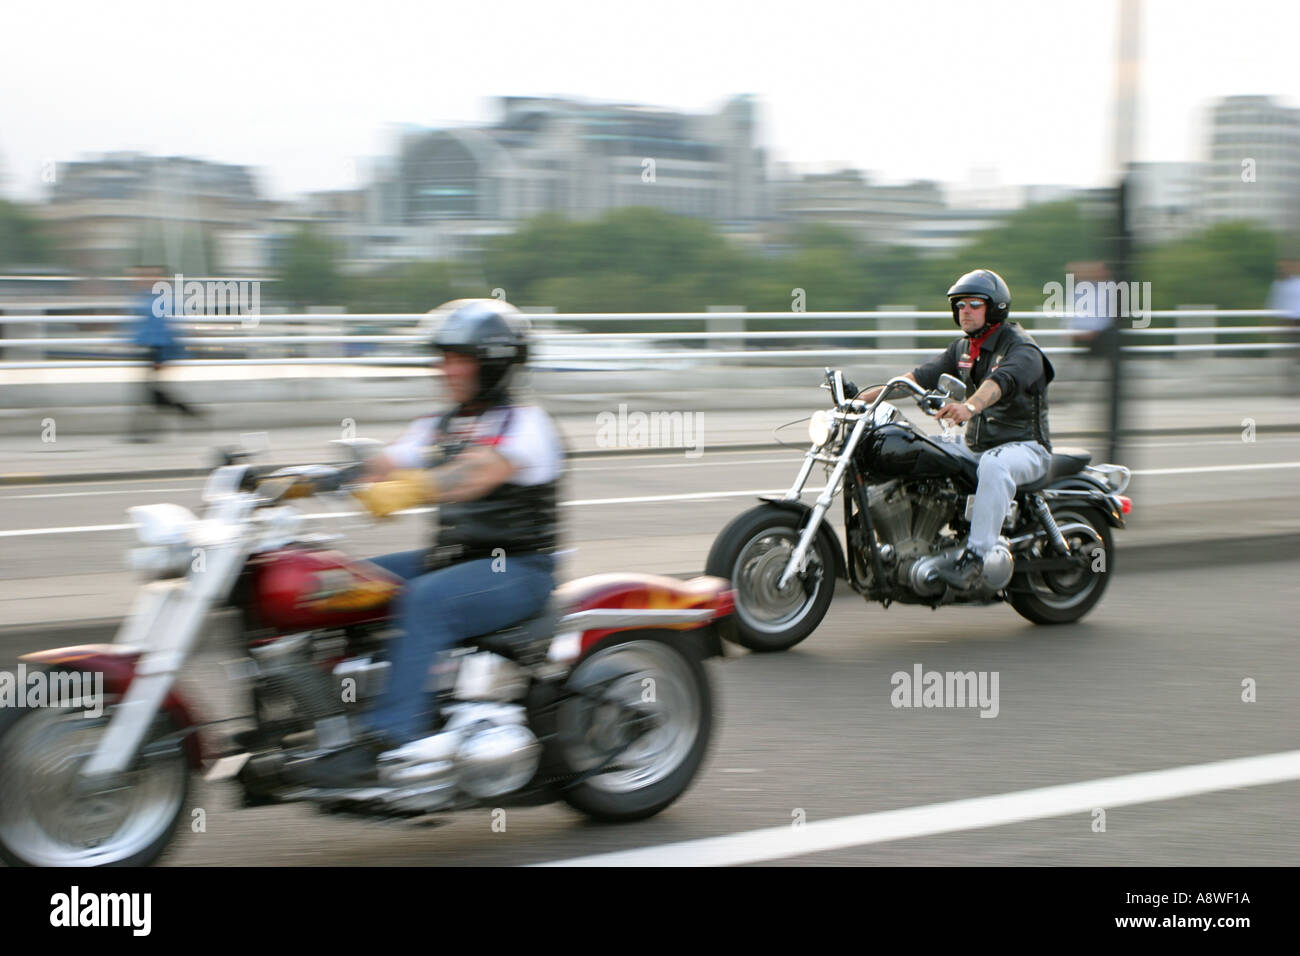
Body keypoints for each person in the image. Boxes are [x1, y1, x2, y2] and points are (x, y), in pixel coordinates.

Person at [291, 298, 565, 786]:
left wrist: (414, 488)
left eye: (460, 358)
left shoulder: (527, 425)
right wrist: (300, 482)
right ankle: (330, 722)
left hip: (518, 569)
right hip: (450, 559)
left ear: (495, 364)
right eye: (444, 356)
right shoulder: (441, 424)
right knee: (334, 585)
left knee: (426, 601)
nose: (447, 368)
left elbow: (476, 473)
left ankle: (391, 737)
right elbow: (385, 463)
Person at [851, 269, 1055, 589]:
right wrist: (860, 399)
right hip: (978, 446)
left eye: (974, 304)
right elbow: (916, 378)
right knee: (919, 447)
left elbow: (999, 383)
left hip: (1025, 448)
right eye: (960, 305)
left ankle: (975, 558)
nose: (965, 311)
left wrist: (969, 407)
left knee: (995, 465)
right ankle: (920, 541)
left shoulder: (1022, 349)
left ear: (995, 308)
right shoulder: (961, 349)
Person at [125, 264, 203, 441]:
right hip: (150, 350)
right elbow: (142, 326)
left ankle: (186, 413)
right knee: (151, 391)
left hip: (158, 351)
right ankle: (184, 414)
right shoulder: (146, 298)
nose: (141, 280)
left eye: (147, 277)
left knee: (151, 392)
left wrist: (162, 357)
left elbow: (168, 331)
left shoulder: (163, 300)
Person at [1268, 258, 1300, 395]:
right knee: (1292, 352)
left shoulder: (1295, 283)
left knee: (1295, 353)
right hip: (1290, 321)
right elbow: (1275, 304)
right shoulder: (1279, 285)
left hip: (1295, 320)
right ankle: (1291, 382)